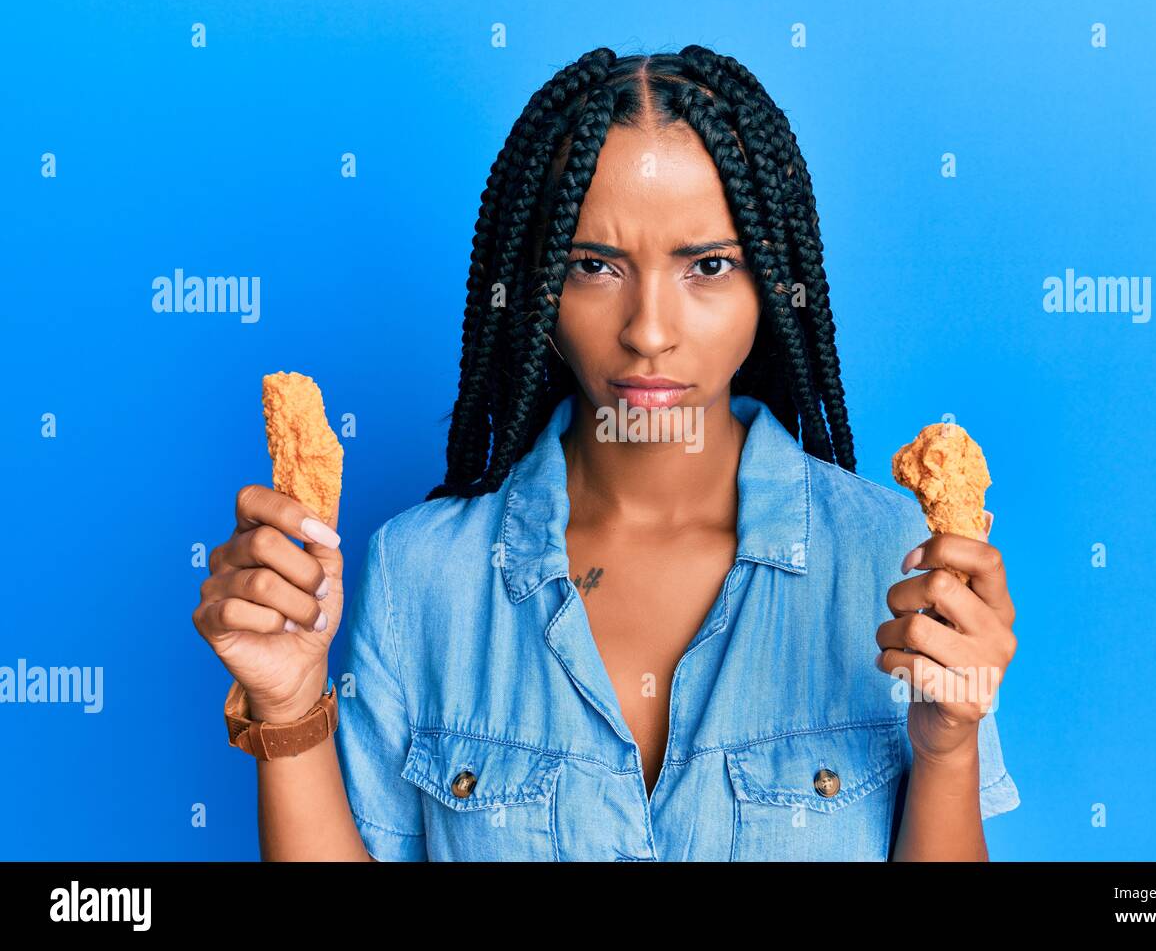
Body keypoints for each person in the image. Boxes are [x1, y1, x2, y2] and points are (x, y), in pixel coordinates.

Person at [193, 45, 1020, 861]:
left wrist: (949, 747)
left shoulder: (895, 561)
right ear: (537, 284)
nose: (648, 331)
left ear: (770, 283)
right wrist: (289, 702)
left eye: (707, 265)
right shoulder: (424, 573)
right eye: (594, 265)